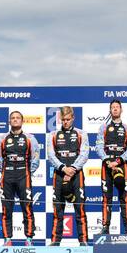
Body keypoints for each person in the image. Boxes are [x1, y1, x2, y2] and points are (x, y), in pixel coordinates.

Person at [47, 105, 89, 245]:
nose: (65, 122)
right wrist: (64, 169)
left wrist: (72, 169)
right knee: (58, 208)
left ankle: (83, 241)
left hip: (77, 175)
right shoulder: (53, 135)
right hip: (59, 174)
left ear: (73, 118)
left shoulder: (81, 134)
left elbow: (84, 154)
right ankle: (55, 241)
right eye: (63, 119)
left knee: (80, 208)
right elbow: (51, 155)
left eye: (68, 119)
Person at [0, 111, 38, 241]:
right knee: (6, 209)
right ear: (9, 121)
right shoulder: (1, 138)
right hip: (7, 176)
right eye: (12, 118)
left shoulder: (30, 138)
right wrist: (5, 171)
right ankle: (7, 239)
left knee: (27, 207)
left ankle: (29, 238)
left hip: (23, 176)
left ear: (22, 121)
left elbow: (35, 159)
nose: (15, 120)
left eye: (17, 118)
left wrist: (27, 173)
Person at [98, 99, 127, 235]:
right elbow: (98, 147)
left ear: (121, 110)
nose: (115, 109)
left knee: (124, 197)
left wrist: (119, 160)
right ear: (110, 110)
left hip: (122, 165)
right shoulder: (103, 127)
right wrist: (108, 161)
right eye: (112, 107)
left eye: (117, 107)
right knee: (106, 197)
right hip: (107, 166)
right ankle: (105, 227)